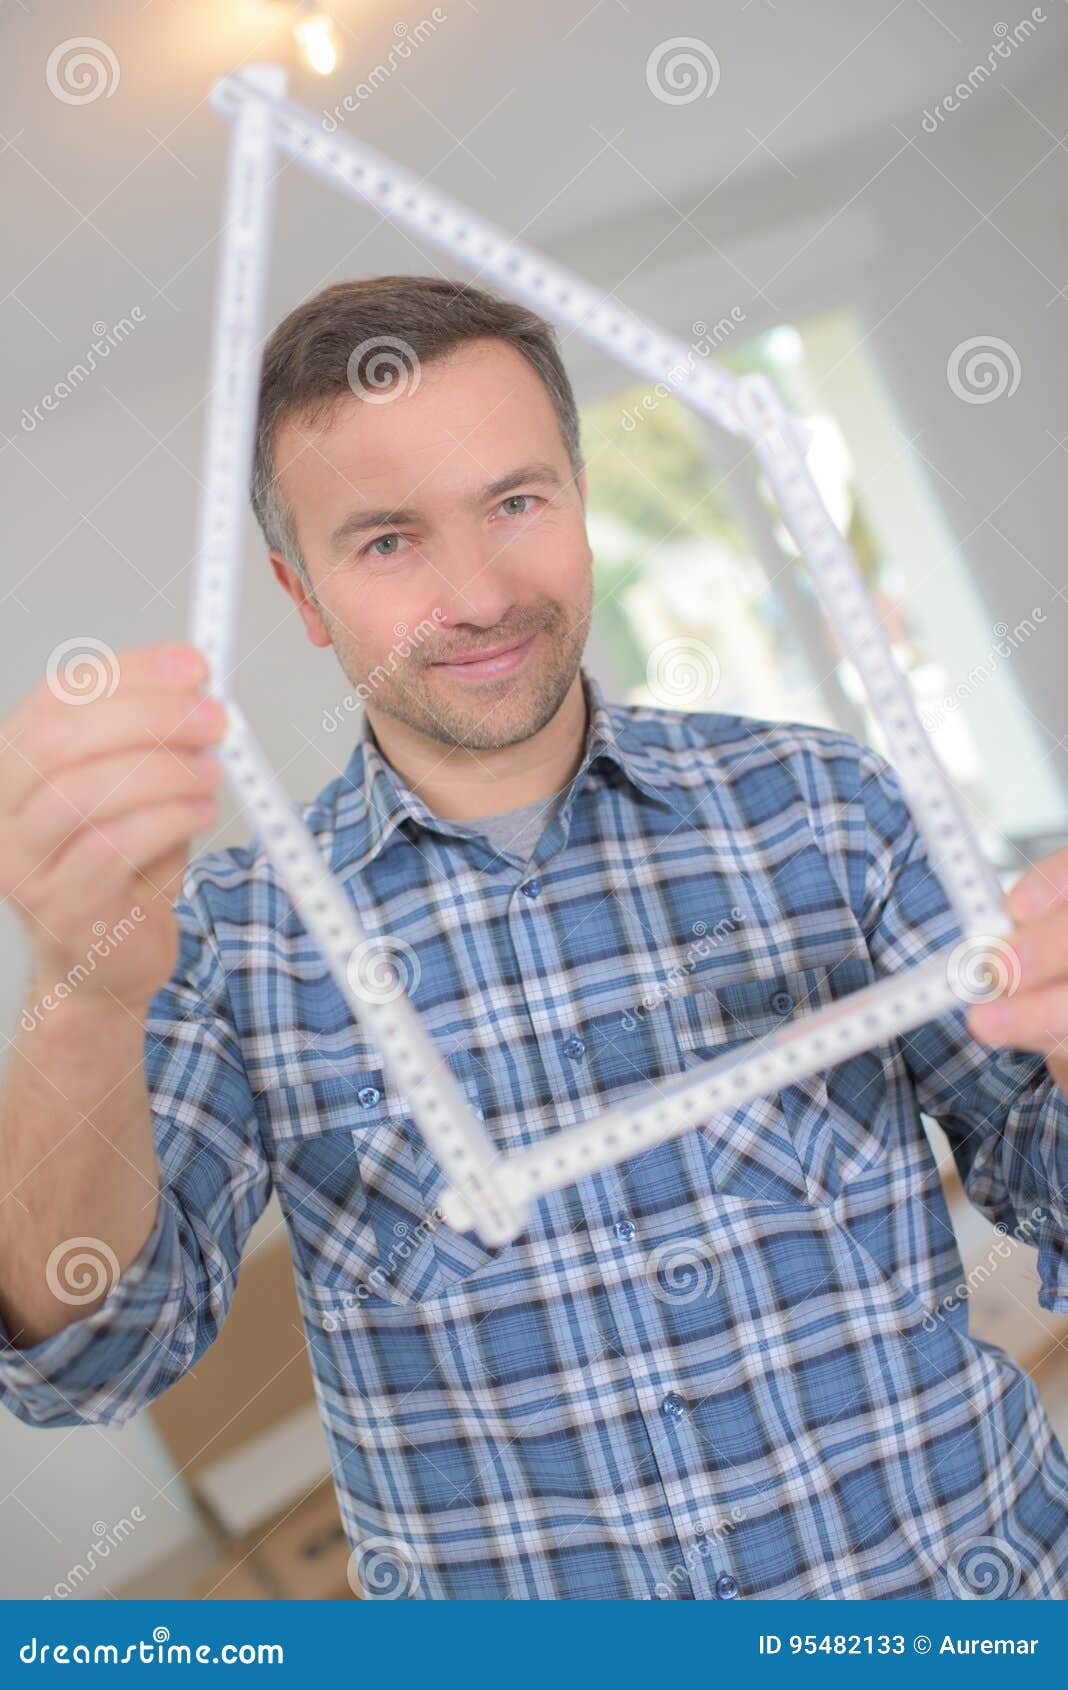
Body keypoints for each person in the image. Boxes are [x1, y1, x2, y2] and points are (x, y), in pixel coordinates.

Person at [2, 276, 1067, 1601]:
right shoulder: (230, 939)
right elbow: (87, 1355)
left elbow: (1047, 1174)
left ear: (577, 492)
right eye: (389, 540)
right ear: (301, 590)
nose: (484, 592)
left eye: (515, 502)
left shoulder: (827, 807)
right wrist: (78, 995)